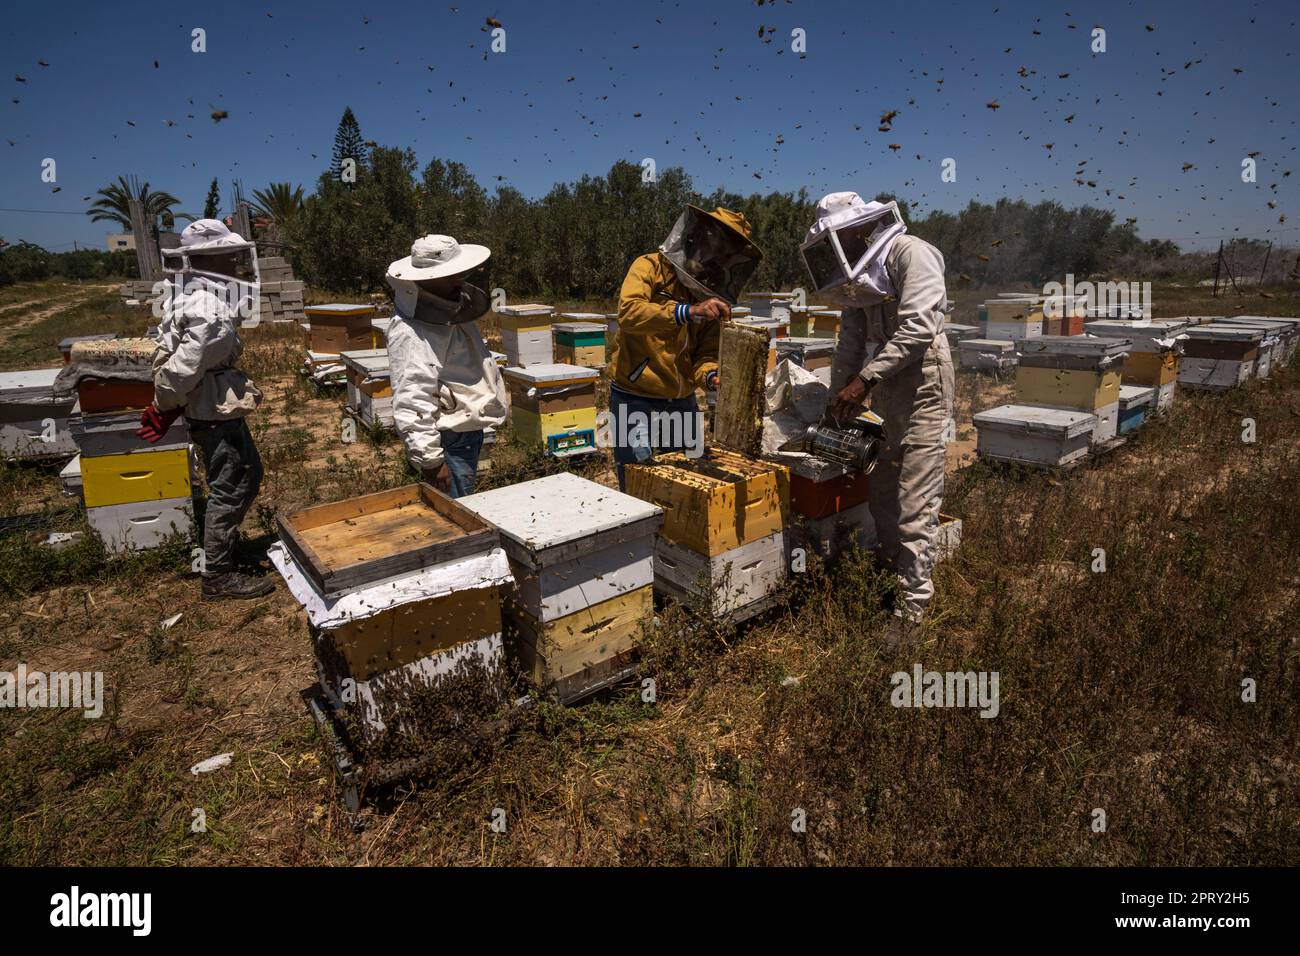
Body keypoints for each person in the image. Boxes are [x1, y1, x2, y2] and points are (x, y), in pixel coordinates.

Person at [801, 193, 953, 629]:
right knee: (883, 484)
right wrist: (838, 396)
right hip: (885, 380)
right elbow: (849, 344)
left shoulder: (911, 254)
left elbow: (918, 328)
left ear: (858, 227)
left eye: (841, 238)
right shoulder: (860, 277)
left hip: (923, 379)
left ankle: (912, 605)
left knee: (914, 492)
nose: (838, 248)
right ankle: (891, 573)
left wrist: (864, 381)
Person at [141, 218, 272, 601]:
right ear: (207, 259)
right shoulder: (206, 305)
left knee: (246, 474)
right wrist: (164, 405)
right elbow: (184, 367)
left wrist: (166, 403)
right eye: (227, 255)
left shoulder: (195, 295)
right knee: (231, 485)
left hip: (214, 405)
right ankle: (216, 574)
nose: (235, 261)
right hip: (210, 409)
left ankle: (223, 550)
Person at [608, 205, 762, 489]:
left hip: (681, 402)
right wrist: (686, 312)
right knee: (637, 480)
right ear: (694, 235)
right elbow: (629, 314)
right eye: (714, 245)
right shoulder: (650, 266)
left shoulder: (711, 296)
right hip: (634, 396)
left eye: (725, 254)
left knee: (688, 482)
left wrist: (711, 377)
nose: (716, 257)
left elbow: (704, 355)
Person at [385, 234, 508, 498]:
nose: (458, 280)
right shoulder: (411, 331)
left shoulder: (448, 309)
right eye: (450, 275)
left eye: (460, 273)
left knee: (464, 507)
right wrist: (431, 460)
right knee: (457, 515)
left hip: (462, 432)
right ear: (426, 279)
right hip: (446, 440)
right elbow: (412, 396)